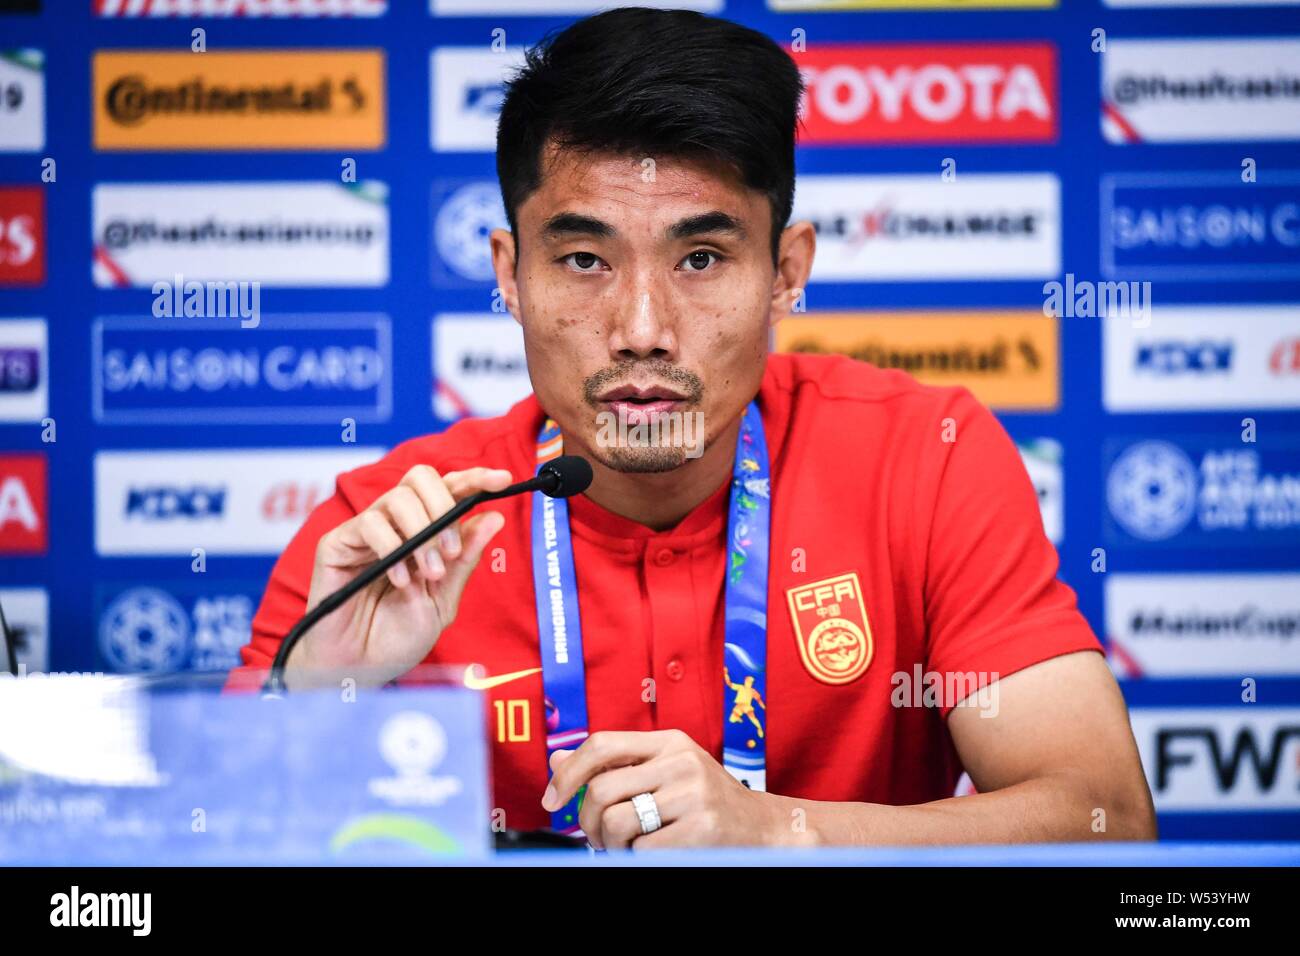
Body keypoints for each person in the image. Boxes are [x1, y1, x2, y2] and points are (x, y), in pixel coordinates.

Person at [227, 7, 1156, 849]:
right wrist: (315, 696)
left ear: (789, 270)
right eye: (584, 259)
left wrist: (777, 834)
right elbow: (198, 844)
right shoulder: (399, 526)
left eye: (702, 257)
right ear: (509, 275)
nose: (641, 330)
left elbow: (1102, 815)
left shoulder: (924, 458)